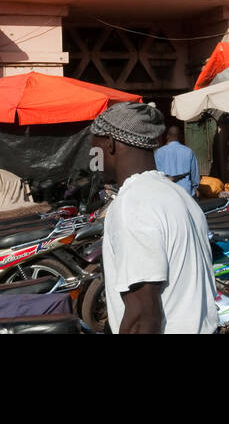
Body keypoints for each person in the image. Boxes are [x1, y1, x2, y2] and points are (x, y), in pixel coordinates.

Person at [91, 101, 218, 334]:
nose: (94, 161)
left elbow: (142, 315)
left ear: (109, 144)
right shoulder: (178, 194)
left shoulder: (133, 203)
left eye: (95, 151)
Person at [154, 125, 200, 197]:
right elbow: (194, 174)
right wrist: (195, 187)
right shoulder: (188, 151)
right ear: (180, 137)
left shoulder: (158, 153)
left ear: (167, 136)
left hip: (167, 192)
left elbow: (156, 174)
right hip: (186, 193)